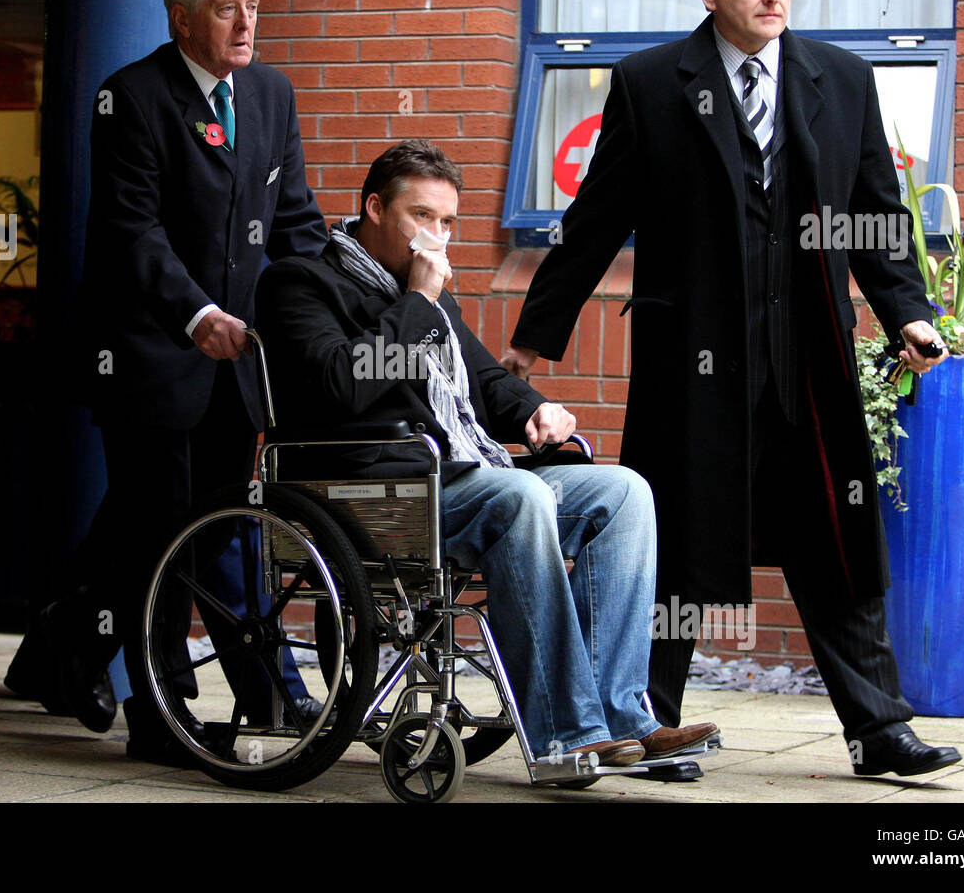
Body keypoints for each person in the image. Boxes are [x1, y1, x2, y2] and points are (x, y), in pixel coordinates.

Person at [502, 0, 960, 778]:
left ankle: (879, 730)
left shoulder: (844, 79)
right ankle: (647, 727)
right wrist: (535, 338)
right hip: (695, 367)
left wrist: (907, 313)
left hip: (810, 363)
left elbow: (878, 215)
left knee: (835, 538)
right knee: (671, 544)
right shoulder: (650, 84)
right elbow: (597, 215)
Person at [257, 139, 720, 765]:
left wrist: (533, 408)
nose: (437, 236)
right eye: (422, 216)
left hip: (453, 481)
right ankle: (566, 735)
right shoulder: (301, 283)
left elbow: (482, 380)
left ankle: (624, 716)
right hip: (366, 491)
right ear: (372, 207)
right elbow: (345, 381)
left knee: (624, 490)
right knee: (521, 494)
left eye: (447, 222)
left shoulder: (427, 299)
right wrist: (417, 303)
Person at [42, 0, 329, 765]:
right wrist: (195, 313)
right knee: (157, 538)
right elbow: (132, 231)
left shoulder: (271, 95)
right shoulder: (130, 97)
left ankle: (60, 651)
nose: (246, 22)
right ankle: (159, 720)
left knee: (199, 534)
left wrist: (342, 295)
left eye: (253, 5)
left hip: (234, 375)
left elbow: (298, 224)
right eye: (226, 7)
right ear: (181, 15)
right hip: (148, 360)